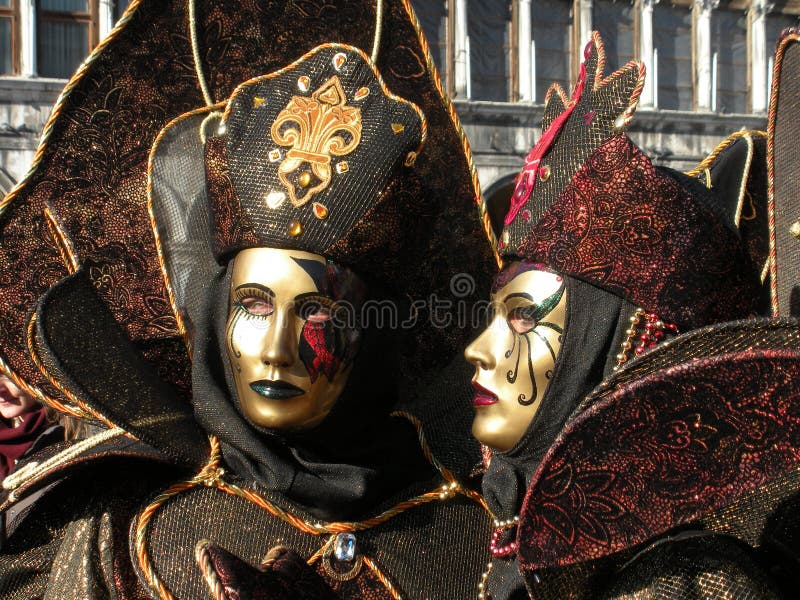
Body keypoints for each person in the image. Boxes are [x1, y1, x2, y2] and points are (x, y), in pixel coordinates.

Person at [0, 2, 498, 598]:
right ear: (216, 315)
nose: (276, 350)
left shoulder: (478, 537)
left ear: (375, 335)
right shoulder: (116, 525)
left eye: (318, 311)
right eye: (255, 305)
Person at [464, 32, 799, 599]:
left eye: (522, 318)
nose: (477, 348)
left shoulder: (680, 583)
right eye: (494, 315)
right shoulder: (535, 542)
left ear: (623, 351)